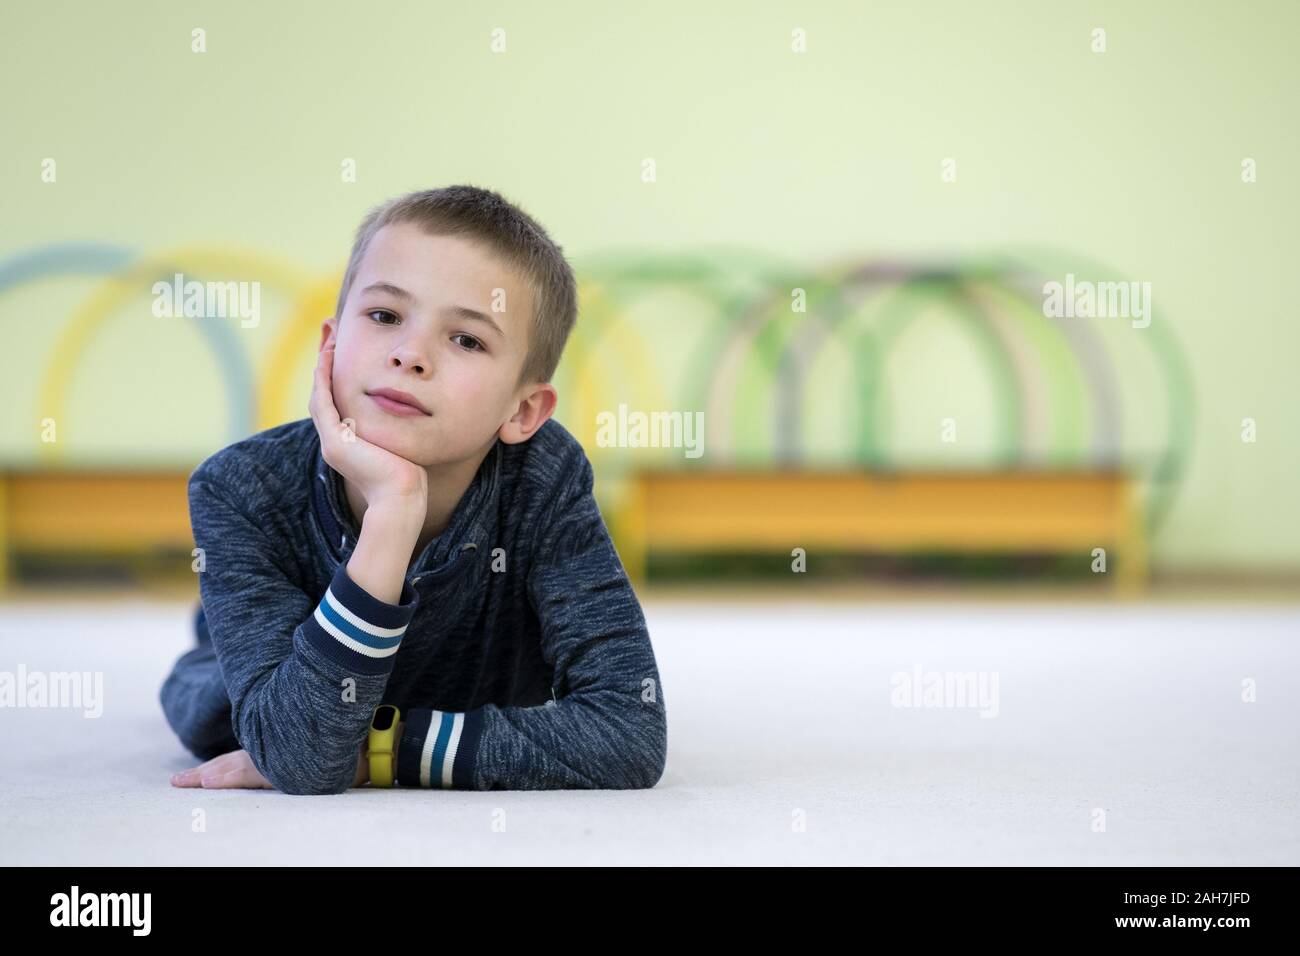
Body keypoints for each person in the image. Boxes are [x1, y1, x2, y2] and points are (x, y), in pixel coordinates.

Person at [160, 185, 667, 794]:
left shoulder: (544, 478)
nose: (410, 354)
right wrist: (394, 512)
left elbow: (629, 730)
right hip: (270, 658)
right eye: (384, 316)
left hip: (445, 695)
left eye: (467, 339)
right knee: (206, 703)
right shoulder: (239, 488)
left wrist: (384, 752)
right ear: (330, 346)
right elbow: (299, 756)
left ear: (525, 410)